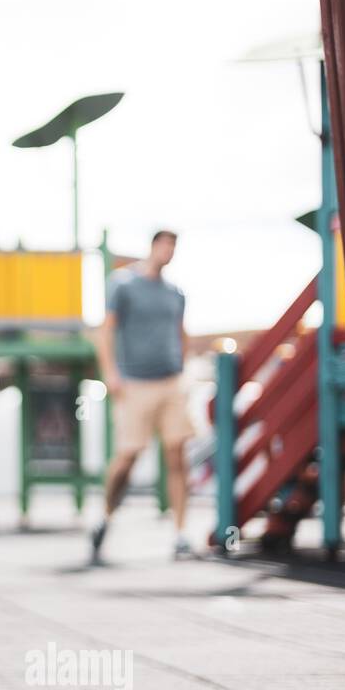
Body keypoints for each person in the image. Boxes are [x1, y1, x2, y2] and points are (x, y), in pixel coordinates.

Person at [91, 230, 195, 563]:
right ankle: (104, 516)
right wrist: (110, 373)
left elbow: (181, 333)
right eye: (165, 245)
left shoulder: (176, 292)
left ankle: (180, 534)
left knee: (177, 454)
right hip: (135, 383)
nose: (170, 252)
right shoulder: (123, 284)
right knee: (128, 457)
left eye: (174, 247)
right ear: (153, 246)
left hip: (170, 382)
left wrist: (183, 367)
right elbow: (105, 330)